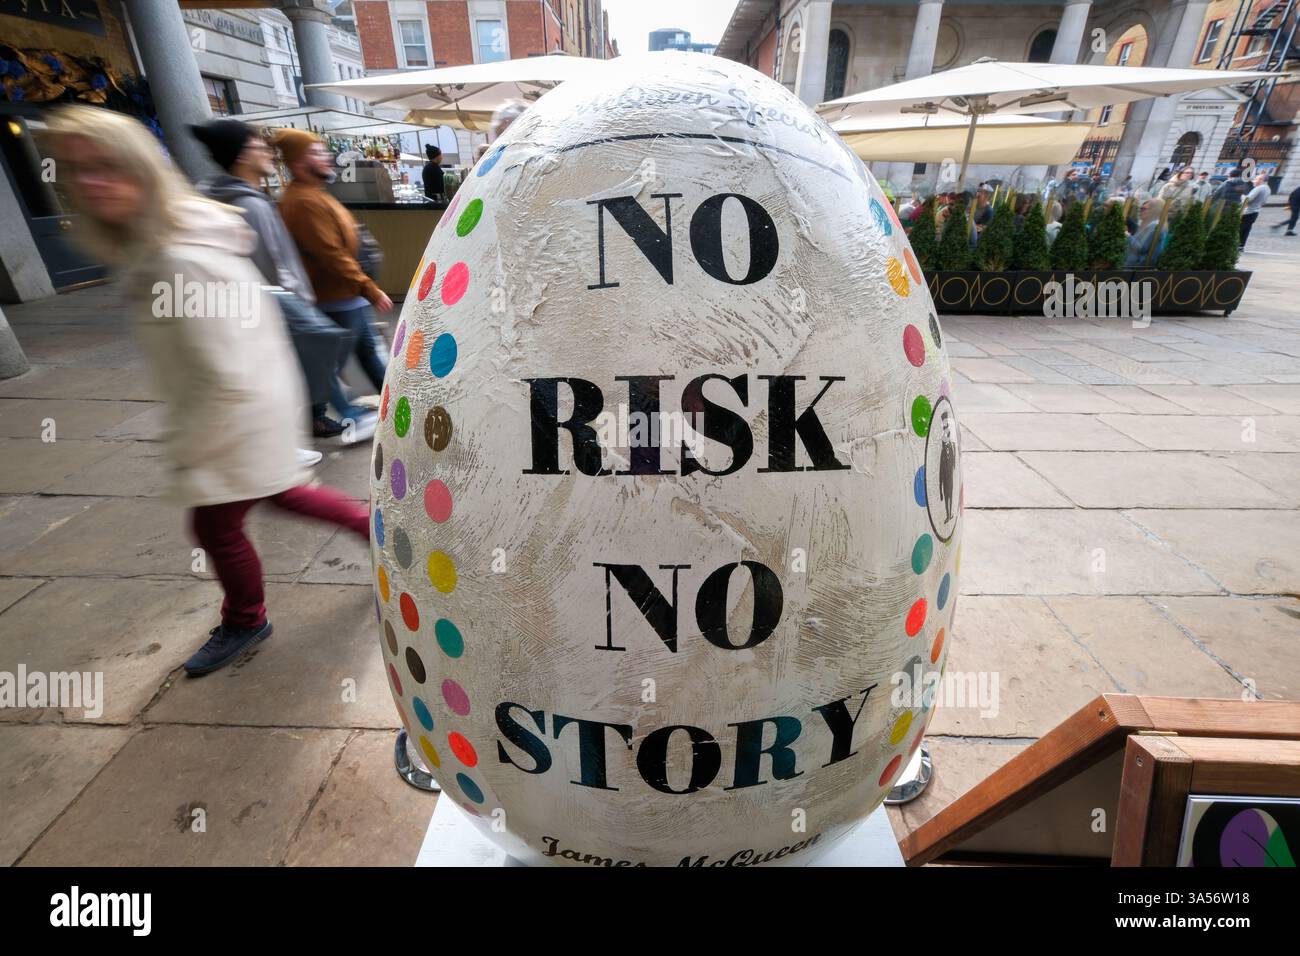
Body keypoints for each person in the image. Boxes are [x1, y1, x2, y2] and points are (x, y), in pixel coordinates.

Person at [46, 105, 370, 676]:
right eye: (76, 170)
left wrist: (193, 446)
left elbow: (227, 368)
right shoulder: (169, 239)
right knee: (280, 497)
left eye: (107, 166)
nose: (91, 183)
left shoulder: (177, 257)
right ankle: (374, 535)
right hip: (245, 413)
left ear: (142, 168)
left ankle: (248, 619)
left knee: (218, 525)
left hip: (233, 419)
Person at [189, 119, 355, 444]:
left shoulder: (241, 197)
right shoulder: (250, 204)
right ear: (240, 155)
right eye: (258, 147)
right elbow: (271, 268)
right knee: (308, 357)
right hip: (271, 312)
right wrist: (300, 303)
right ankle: (305, 430)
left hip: (260, 313)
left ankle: (300, 428)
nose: (268, 152)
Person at [274, 128, 391, 440]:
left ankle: (393, 401)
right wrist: (369, 287)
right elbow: (331, 253)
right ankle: (347, 413)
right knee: (329, 363)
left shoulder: (312, 195)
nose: (325, 157)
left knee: (365, 350)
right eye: (315, 152)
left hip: (345, 294)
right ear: (298, 163)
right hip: (335, 296)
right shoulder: (304, 201)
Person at [1124, 197, 1167, 267]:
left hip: (1136, 266)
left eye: (1143, 209)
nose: (1140, 211)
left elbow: (1140, 248)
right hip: (1135, 264)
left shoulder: (1154, 226)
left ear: (1154, 210)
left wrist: (1127, 235)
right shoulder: (1151, 224)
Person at [1239, 172, 1272, 249]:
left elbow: (1248, 200)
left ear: (1261, 179)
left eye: (1256, 179)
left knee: (1241, 229)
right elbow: (1264, 202)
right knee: (1246, 229)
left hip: (1248, 211)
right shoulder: (1268, 188)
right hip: (1255, 211)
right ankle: (1241, 245)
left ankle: (1238, 245)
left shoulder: (1259, 188)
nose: (1254, 181)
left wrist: (1241, 196)